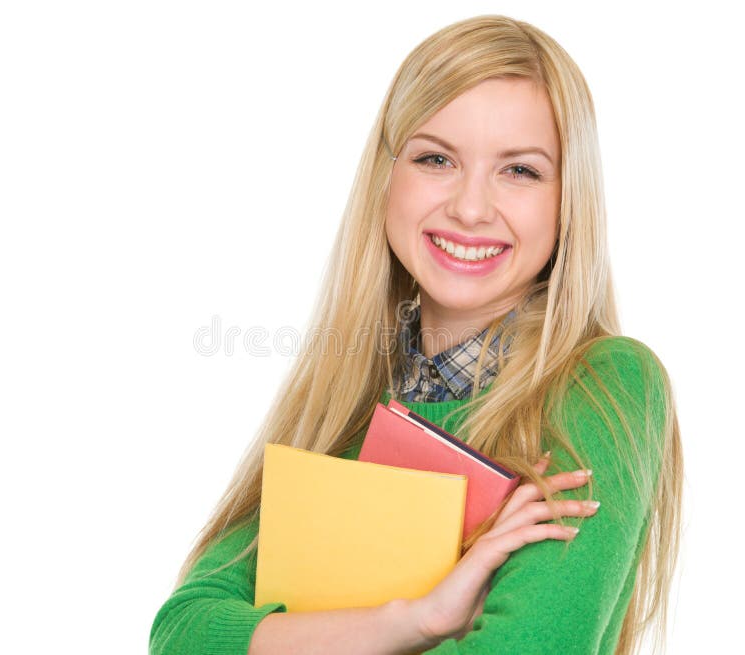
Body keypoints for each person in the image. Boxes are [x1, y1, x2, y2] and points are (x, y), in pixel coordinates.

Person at [149, 14, 683, 655]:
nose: (470, 207)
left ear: (569, 201)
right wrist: (418, 620)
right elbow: (184, 633)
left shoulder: (603, 386)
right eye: (436, 158)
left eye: (519, 171)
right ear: (387, 179)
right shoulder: (344, 411)